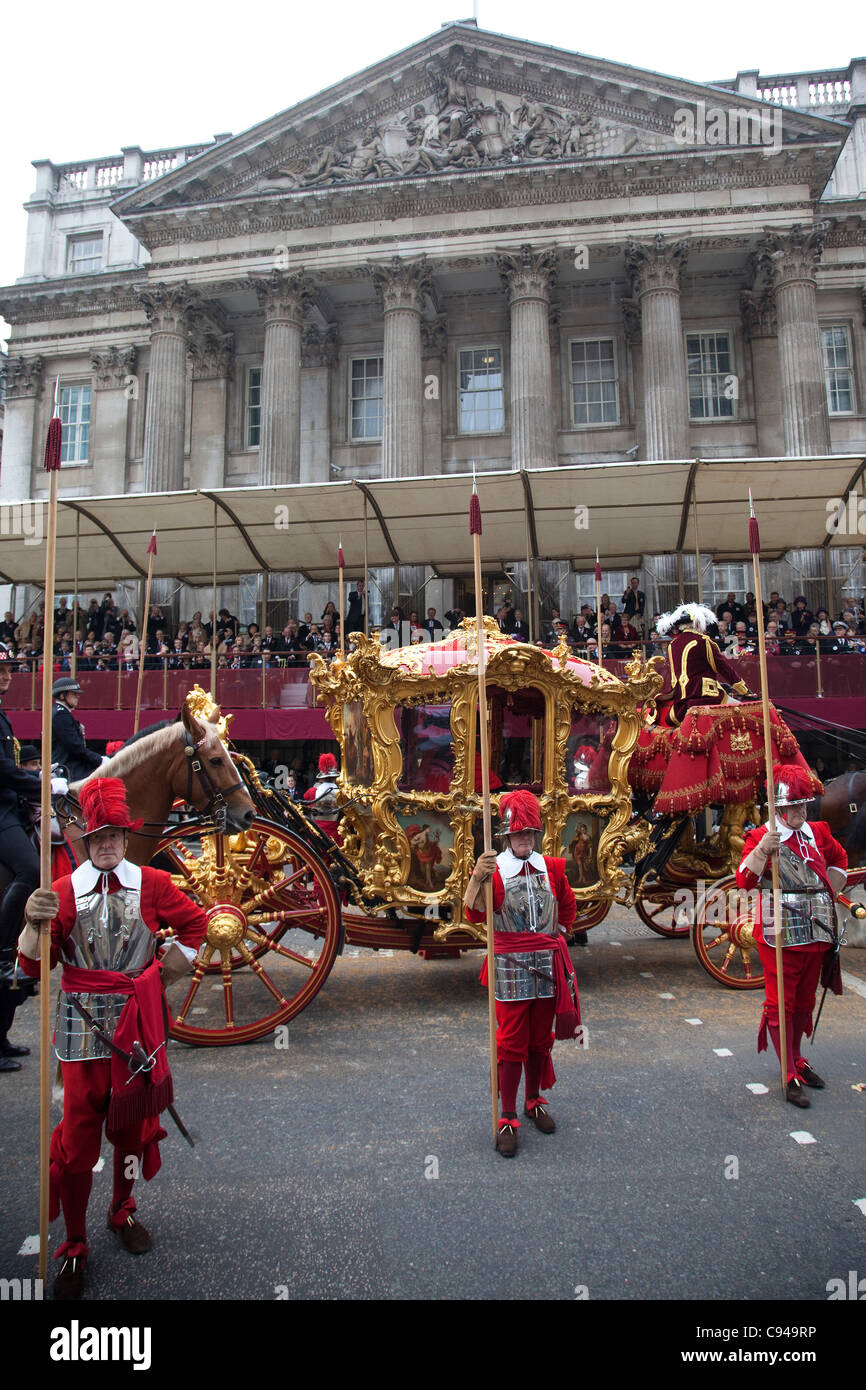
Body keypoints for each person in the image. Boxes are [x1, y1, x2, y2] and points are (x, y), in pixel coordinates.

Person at [17, 777, 208, 1299]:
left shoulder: (152, 884)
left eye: (115, 835)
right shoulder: (59, 893)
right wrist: (33, 925)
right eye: (98, 834)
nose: (107, 843)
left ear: (126, 837)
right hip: (81, 1031)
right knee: (78, 1140)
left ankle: (122, 1210)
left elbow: (197, 927)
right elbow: (32, 967)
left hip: (137, 1030)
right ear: (85, 838)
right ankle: (75, 1242)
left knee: (129, 1131)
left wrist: (163, 973)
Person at [463, 790, 580, 1157]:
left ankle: (534, 1100)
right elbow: (474, 916)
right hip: (510, 967)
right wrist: (475, 880)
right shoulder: (494, 872)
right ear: (506, 837)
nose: (524, 839)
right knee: (511, 1041)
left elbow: (569, 909)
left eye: (529, 833)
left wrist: (557, 937)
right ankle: (508, 1116)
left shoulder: (554, 869)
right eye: (518, 834)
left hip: (547, 965)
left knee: (539, 1040)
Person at [736, 763, 846, 1108]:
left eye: (803, 806)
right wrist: (762, 851)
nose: (800, 812)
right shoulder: (761, 836)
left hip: (817, 927)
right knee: (779, 1003)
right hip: (779, 929)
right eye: (792, 807)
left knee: (804, 1001)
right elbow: (744, 882)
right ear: (778, 808)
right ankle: (788, 1072)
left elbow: (839, 861)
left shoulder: (818, 833)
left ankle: (798, 1058)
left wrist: (830, 893)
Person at [0, 651, 43, 1070]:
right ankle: (1, 944)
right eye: (2, 670)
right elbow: (2, 770)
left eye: (9, 669)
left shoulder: (2, 715)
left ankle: (2, 1037)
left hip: (11, 803)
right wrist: (38, 783)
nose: (8, 676)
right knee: (30, 869)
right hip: (0, 809)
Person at [655, 604, 752, 726]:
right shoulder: (703, 641)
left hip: (680, 700)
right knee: (745, 711)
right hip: (704, 696)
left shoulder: (672, 645)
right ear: (696, 624)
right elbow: (725, 669)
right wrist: (744, 690)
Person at [52, 678, 103, 783]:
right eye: (73, 694)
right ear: (62, 696)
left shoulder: (59, 712)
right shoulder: (61, 715)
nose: (77, 696)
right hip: (69, 769)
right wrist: (99, 760)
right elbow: (74, 746)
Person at [302, 752, 341, 840]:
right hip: (336, 835)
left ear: (321, 778)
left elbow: (305, 799)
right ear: (335, 778)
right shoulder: (342, 794)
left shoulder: (312, 792)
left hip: (317, 834)